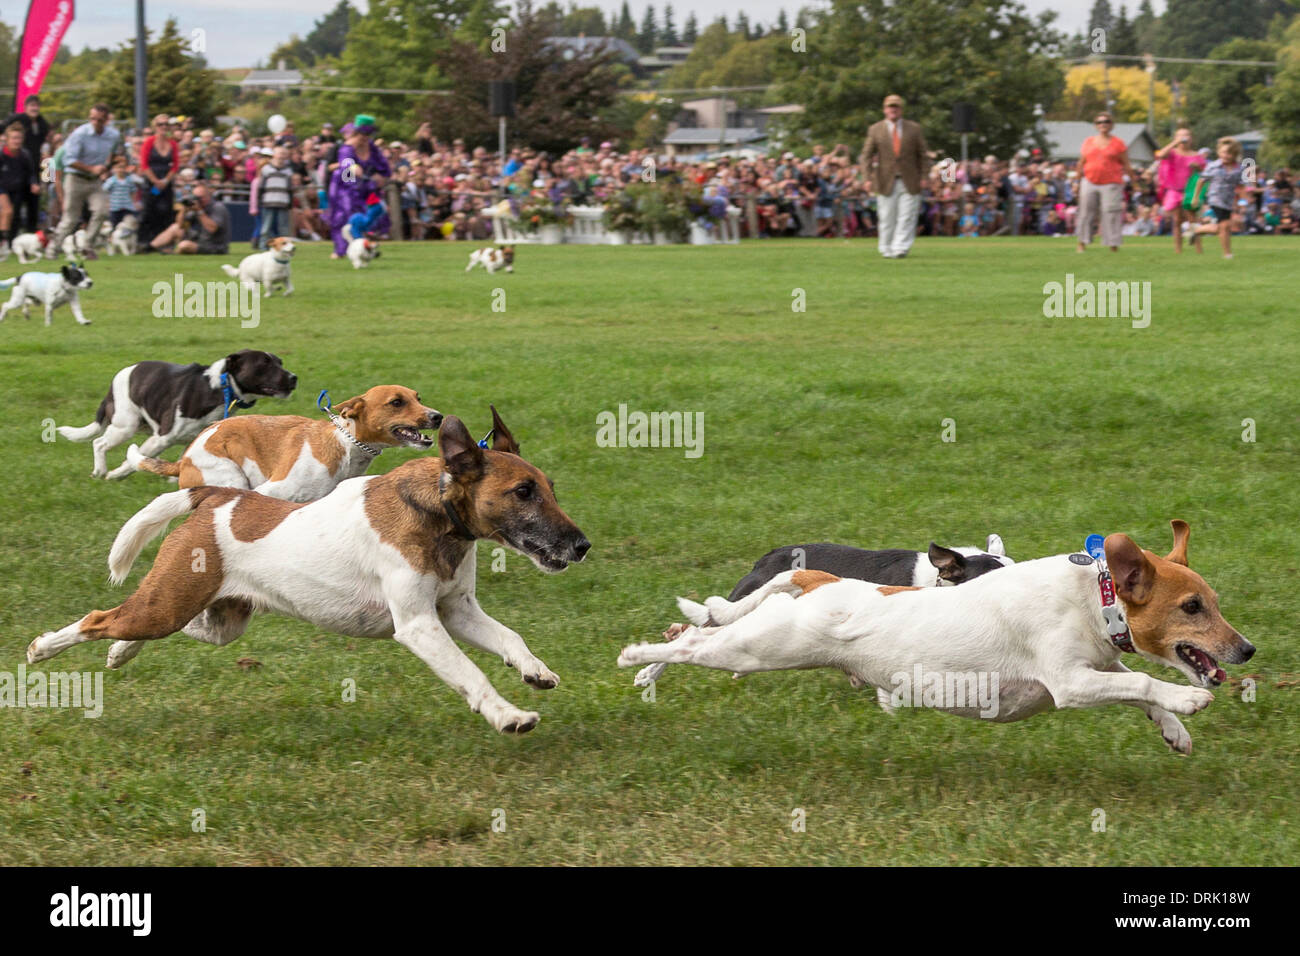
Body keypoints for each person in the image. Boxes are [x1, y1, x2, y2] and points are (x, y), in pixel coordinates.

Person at [859, 93, 928, 258]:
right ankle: (886, 247)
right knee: (886, 216)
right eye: (890, 107)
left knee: (907, 215)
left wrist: (924, 177)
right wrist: (866, 177)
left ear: (901, 109)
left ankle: (901, 247)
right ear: (885, 110)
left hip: (910, 178)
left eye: (896, 107)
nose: (893, 110)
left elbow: (923, 155)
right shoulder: (875, 129)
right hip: (885, 179)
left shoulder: (914, 128)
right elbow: (866, 155)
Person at [49, 103, 122, 260]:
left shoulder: (113, 135)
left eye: (99, 120)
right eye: (92, 119)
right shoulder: (80, 134)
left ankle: (87, 246)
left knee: (102, 211)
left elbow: (114, 152)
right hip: (75, 179)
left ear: (106, 120)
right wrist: (91, 168)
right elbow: (68, 161)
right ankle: (53, 248)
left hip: (95, 181)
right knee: (70, 219)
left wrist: (107, 166)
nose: (95, 122)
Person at [327, 116, 390, 258]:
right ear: (357, 133)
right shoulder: (347, 147)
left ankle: (365, 248)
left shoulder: (372, 148)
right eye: (363, 134)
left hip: (366, 186)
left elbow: (383, 167)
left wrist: (380, 176)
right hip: (345, 186)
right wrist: (352, 166)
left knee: (370, 215)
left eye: (369, 134)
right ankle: (341, 249)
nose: (366, 137)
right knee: (346, 215)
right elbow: (345, 164)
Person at [1075, 112, 1135, 253]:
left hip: (1111, 183)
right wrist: (1077, 181)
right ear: (1096, 126)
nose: (1103, 124)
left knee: (1111, 213)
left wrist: (1135, 182)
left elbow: (1126, 164)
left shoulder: (1118, 143)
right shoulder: (1088, 142)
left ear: (1111, 125)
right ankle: (1082, 242)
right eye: (1099, 122)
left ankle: (1113, 244)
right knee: (1085, 212)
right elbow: (1081, 162)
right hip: (1089, 181)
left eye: (1106, 121)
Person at [1187, 137, 1246, 259]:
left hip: (1228, 201)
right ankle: (1227, 254)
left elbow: (1241, 186)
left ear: (1234, 154)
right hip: (1215, 199)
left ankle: (1197, 230)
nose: (1226, 155)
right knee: (1224, 226)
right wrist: (1195, 198)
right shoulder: (1213, 166)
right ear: (1219, 152)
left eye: (1229, 153)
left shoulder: (1239, 169)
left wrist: (1242, 202)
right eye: (1223, 152)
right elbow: (1201, 181)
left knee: (1219, 228)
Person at [1154, 127, 1205, 253]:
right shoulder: (1172, 153)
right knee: (1176, 220)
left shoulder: (1196, 155)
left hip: (1190, 191)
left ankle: (1199, 249)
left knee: (1192, 220)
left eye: (1186, 135)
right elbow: (1160, 155)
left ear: (1191, 139)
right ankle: (1178, 250)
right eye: (1180, 135)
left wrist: (1197, 167)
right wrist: (1174, 143)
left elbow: (1204, 172)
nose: (1183, 138)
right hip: (1174, 190)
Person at [4, 94, 50, 232]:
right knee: (15, 206)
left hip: (35, 170)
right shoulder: (18, 119)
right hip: (17, 168)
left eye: (36, 106)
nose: (34, 108)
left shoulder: (43, 124)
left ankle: (31, 235)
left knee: (34, 205)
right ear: (26, 107)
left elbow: (48, 152)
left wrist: (49, 178)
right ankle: (12, 237)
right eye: (31, 106)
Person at [149, 182, 229, 254]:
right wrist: (184, 210)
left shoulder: (217, 207)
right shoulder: (196, 207)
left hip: (214, 246)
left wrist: (199, 211)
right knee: (175, 228)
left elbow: (212, 229)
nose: (196, 200)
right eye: (194, 197)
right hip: (198, 239)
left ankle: (172, 252)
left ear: (207, 197)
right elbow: (180, 225)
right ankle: (150, 248)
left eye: (199, 198)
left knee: (184, 245)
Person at [0, 122, 40, 257]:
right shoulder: (1, 154)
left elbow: (31, 173)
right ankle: (3, 244)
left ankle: (9, 244)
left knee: (15, 216)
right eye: (14, 138)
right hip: (2, 187)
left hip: (17, 189)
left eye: (19, 138)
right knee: (7, 211)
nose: (16, 141)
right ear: (7, 139)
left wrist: (33, 183)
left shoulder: (25, 155)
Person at [139, 114, 178, 246]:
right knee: (149, 210)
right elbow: (144, 164)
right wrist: (155, 181)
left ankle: (163, 242)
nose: (163, 127)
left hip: (166, 183)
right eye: (160, 124)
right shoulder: (149, 142)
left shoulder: (172, 144)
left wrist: (165, 181)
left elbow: (175, 165)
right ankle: (144, 241)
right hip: (152, 183)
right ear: (155, 126)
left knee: (166, 211)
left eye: (166, 124)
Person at [257, 145, 295, 248]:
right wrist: (259, 201)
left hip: (283, 202)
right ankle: (263, 247)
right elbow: (261, 187)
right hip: (268, 201)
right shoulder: (266, 169)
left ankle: (285, 247)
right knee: (266, 227)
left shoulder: (288, 170)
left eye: (283, 153)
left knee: (283, 228)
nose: (281, 156)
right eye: (279, 153)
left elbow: (290, 188)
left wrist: (290, 202)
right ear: (274, 154)